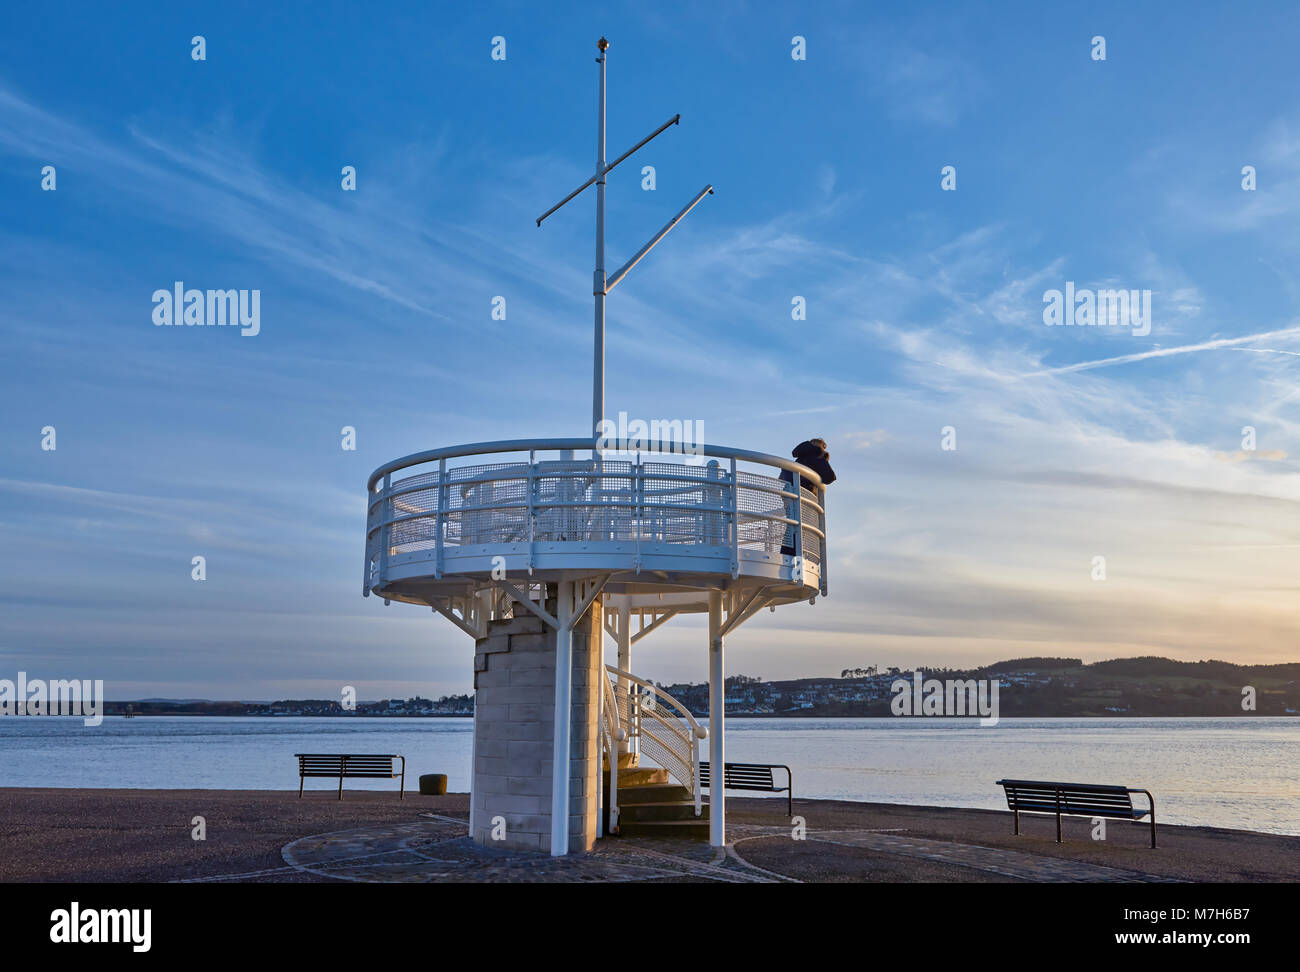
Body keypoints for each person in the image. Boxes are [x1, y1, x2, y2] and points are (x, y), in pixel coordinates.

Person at [780, 438, 836, 556]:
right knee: (800, 526)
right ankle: (794, 554)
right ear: (821, 446)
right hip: (804, 493)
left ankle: (785, 553)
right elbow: (830, 477)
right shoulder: (817, 455)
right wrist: (824, 458)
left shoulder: (800, 457)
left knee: (792, 524)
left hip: (788, 491)